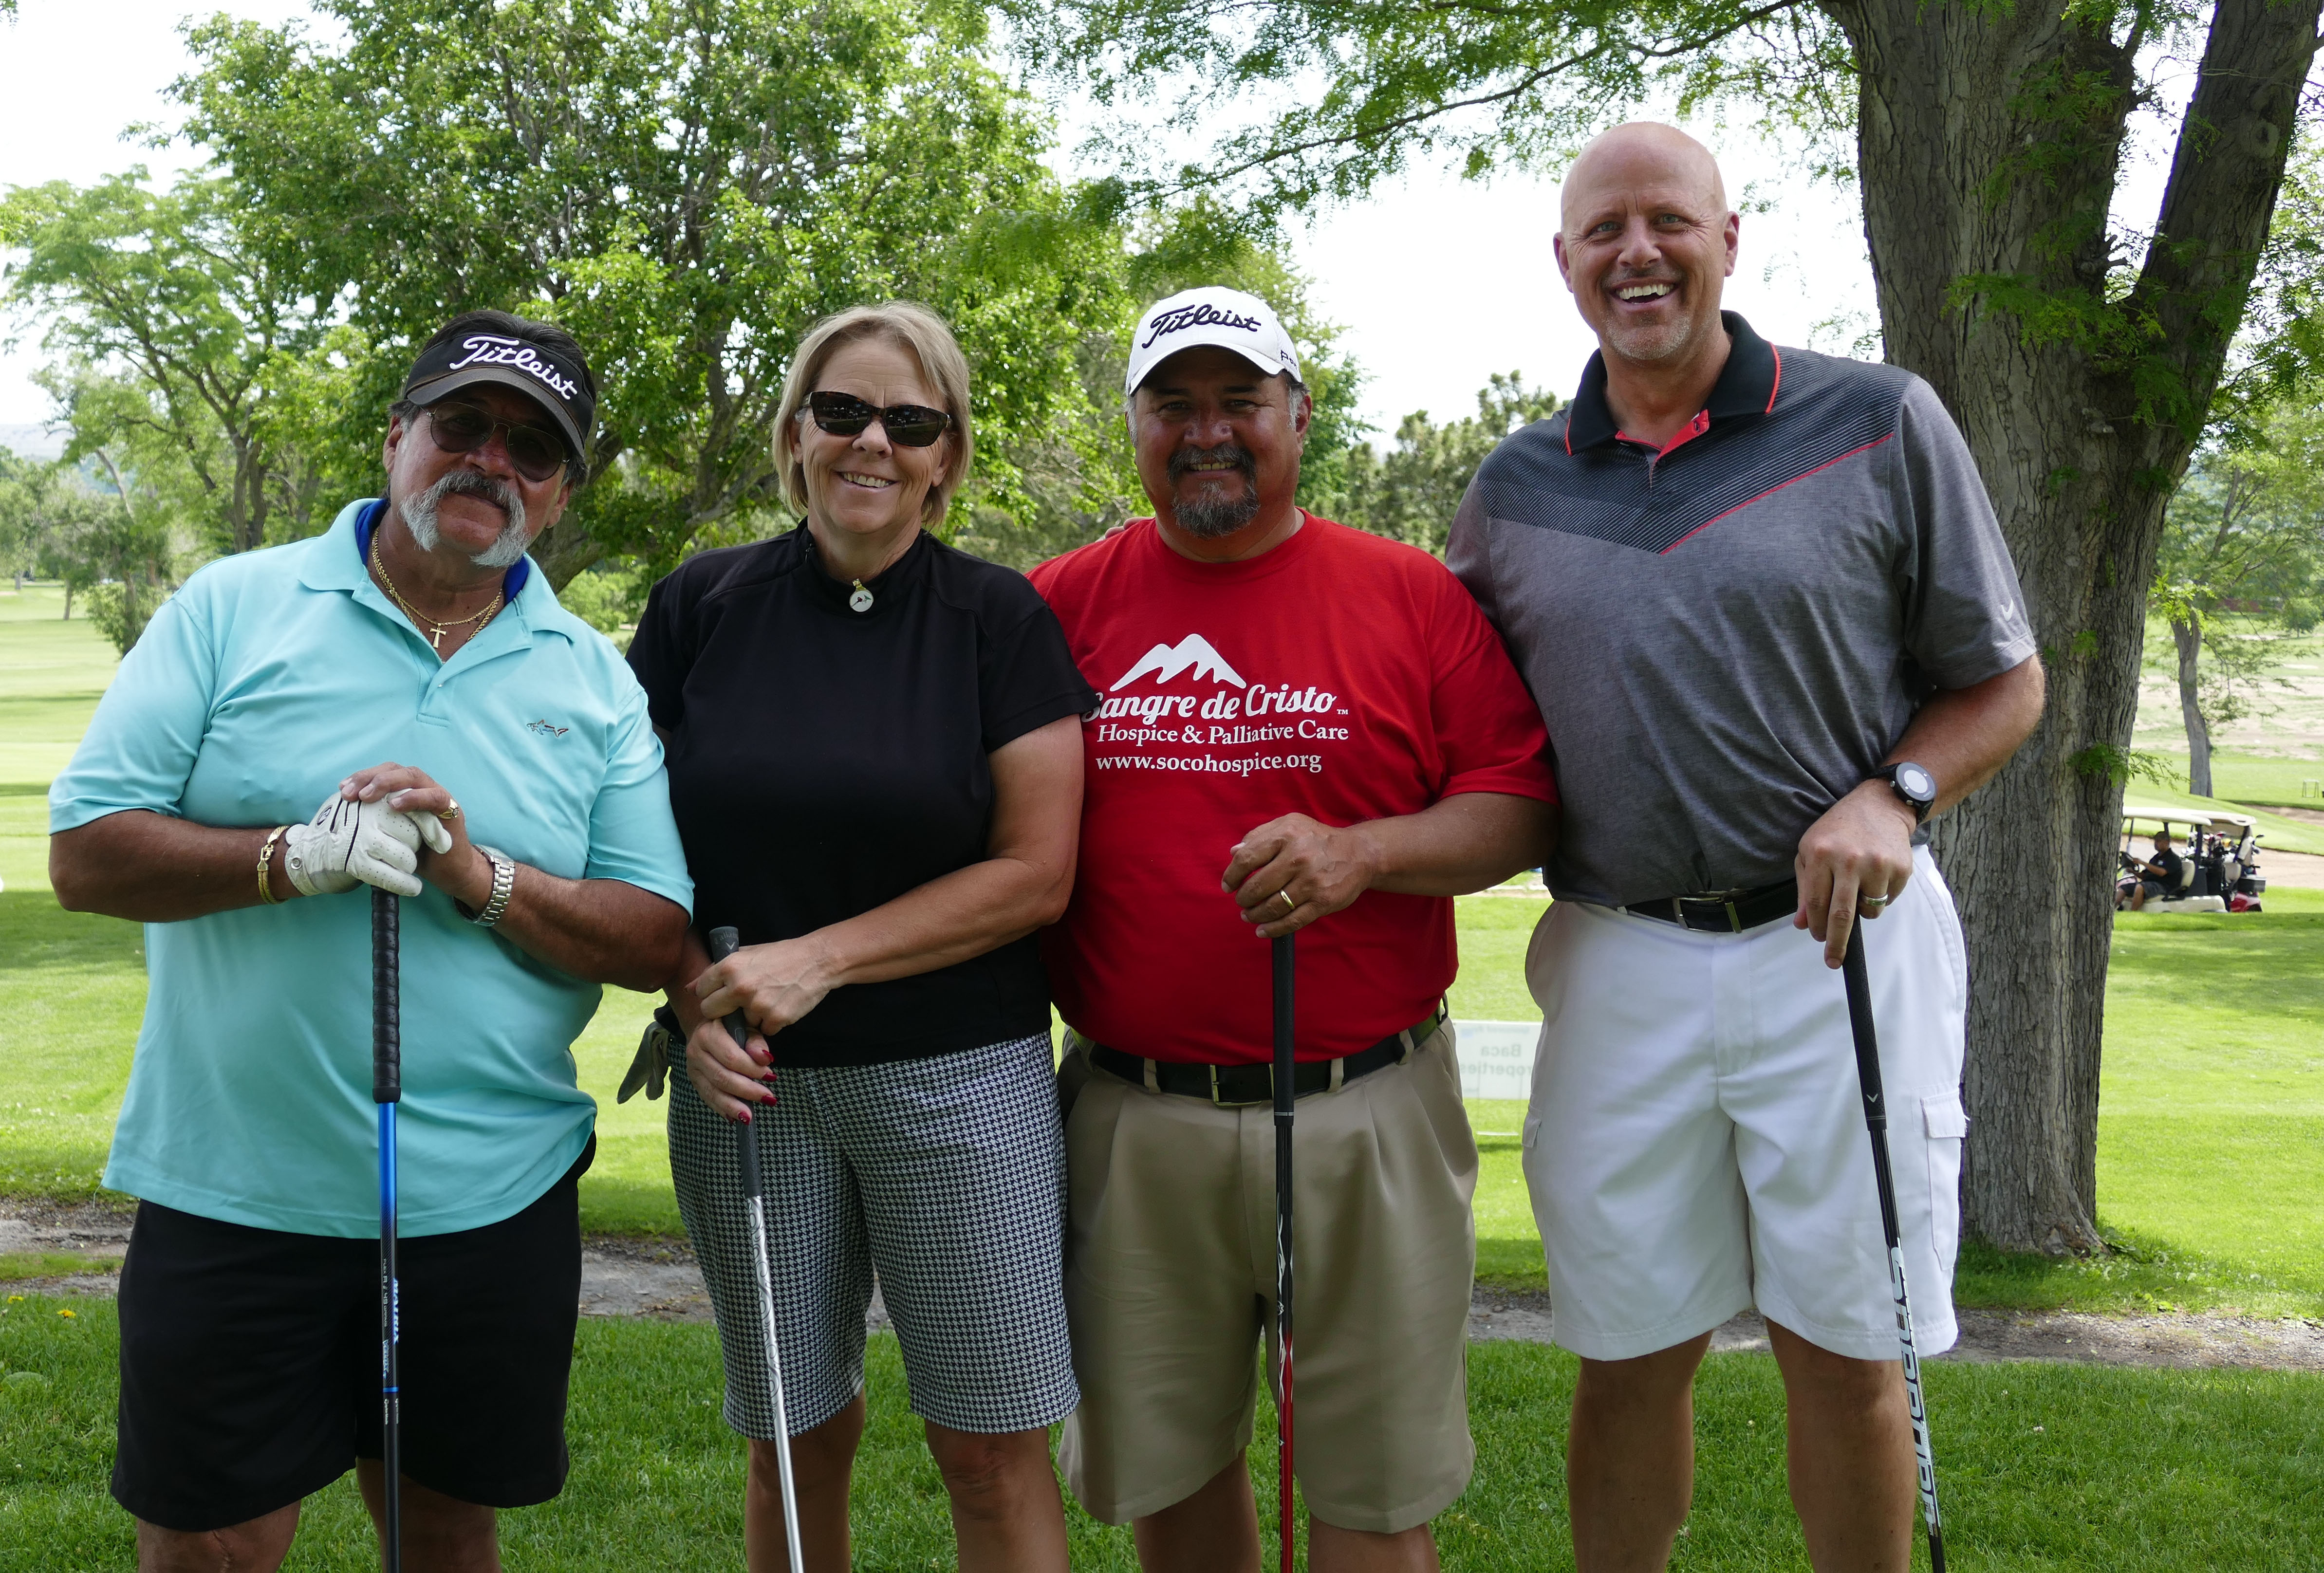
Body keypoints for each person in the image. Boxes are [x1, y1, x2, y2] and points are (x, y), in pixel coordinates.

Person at [1446, 123, 2048, 1570]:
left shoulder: (1877, 420)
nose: (1635, 251)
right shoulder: (1513, 490)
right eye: (1603, 230)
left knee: (1844, 1345)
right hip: (1612, 954)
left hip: (1834, 951)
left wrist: (1893, 793)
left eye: (1666, 220)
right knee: (1627, 1346)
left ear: (1729, 237)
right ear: (1564, 264)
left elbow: (2006, 680)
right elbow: (1450, 721)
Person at [47, 308, 693, 1572]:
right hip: (234, 1181)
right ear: (397, 436)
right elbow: (87, 849)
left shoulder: (591, 678)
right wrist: (290, 855)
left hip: (489, 1198)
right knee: (215, 1541)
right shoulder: (235, 605)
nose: (491, 463)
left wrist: (478, 873)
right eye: (463, 425)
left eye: (533, 447)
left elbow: (654, 928)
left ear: (559, 495)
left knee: (444, 1533)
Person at [1028, 286, 1561, 1573]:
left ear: (1297, 416)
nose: (1206, 431)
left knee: (1374, 1492)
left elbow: (1518, 804)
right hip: (1131, 1114)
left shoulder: (1410, 594)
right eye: (1174, 404)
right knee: (1169, 1478)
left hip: (1364, 1106)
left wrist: (1363, 850)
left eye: (1238, 401)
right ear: (1136, 423)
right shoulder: (1054, 605)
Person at [624, 301, 1095, 1573]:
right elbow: (629, 846)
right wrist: (690, 994)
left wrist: (814, 957)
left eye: (909, 419)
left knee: (988, 1444)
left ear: (946, 453)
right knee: (790, 1431)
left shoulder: (1000, 622)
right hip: (748, 1089)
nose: (870, 441)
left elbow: (1032, 875)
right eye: (841, 411)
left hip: (959, 1079)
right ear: (792, 432)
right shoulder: (700, 604)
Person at [2126, 830, 2186, 910]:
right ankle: (2113, 911)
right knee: (2124, 888)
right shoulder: (2155, 859)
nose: (2156, 844)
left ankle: (2132, 914)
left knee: (2140, 887)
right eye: (2155, 841)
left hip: (2165, 887)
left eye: (2158, 841)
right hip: (2151, 884)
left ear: (2167, 842)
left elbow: (2162, 873)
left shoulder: (2173, 859)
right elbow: (2145, 876)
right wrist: (2133, 872)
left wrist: (2142, 863)